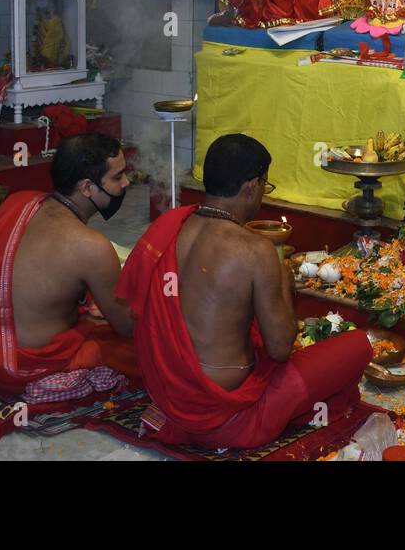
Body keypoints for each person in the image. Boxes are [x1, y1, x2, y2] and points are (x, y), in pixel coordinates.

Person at [117, 133, 371, 450]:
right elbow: (280, 349)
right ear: (251, 186)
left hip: (168, 402)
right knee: (358, 345)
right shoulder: (255, 250)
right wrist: (283, 281)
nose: (263, 194)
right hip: (229, 420)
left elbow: (131, 313)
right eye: (265, 185)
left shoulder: (167, 225)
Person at [0, 133, 138, 411]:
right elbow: (128, 327)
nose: (126, 183)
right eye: (117, 177)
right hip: (23, 368)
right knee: (151, 348)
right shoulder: (91, 247)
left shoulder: (19, 202)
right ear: (86, 187)